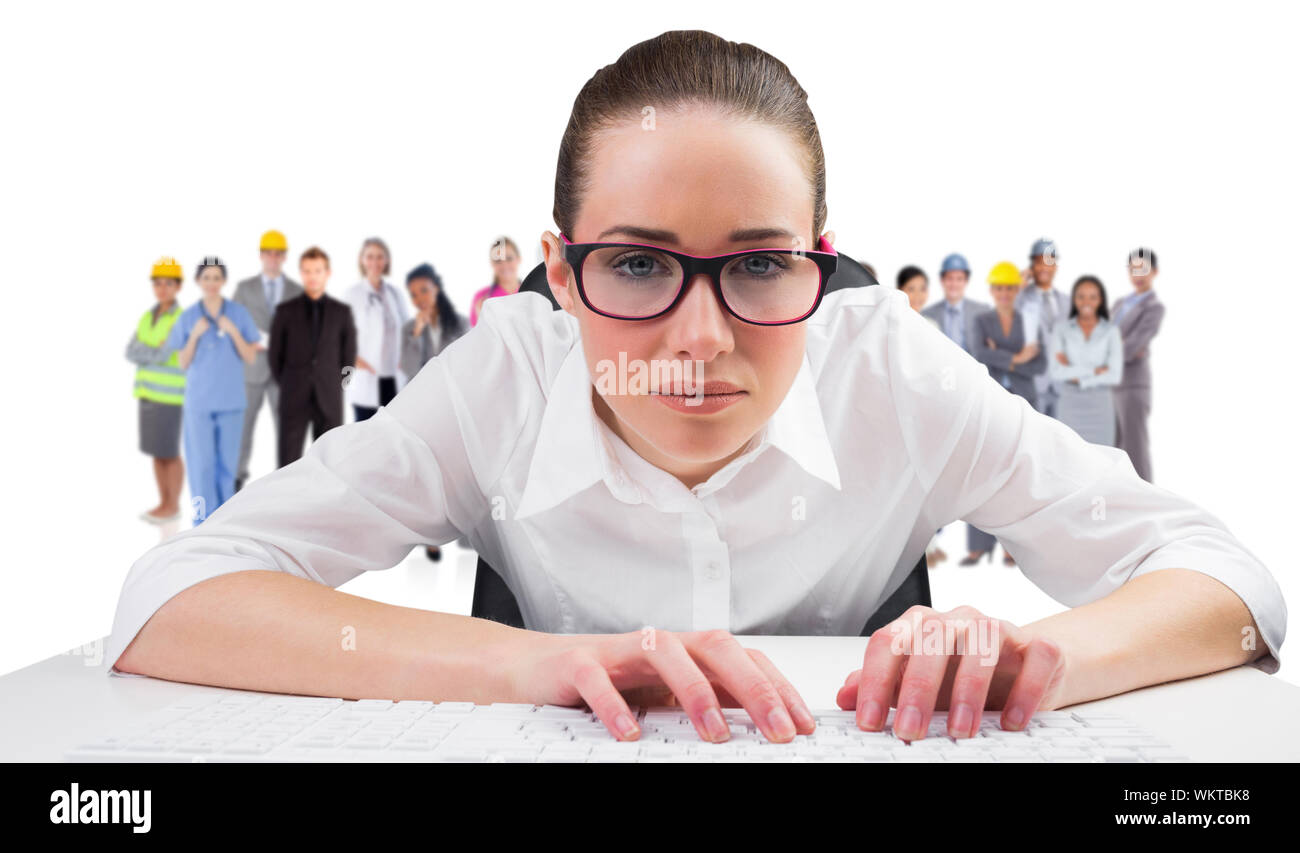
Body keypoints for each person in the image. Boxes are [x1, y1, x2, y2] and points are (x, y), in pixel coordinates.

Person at [109, 31, 1283, 749]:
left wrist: (1039, 654)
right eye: (635, 263)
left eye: (762, 263)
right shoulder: (501, 382)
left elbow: (1230, 584)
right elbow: (174, 595)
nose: (703, 336)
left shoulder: (889, 367)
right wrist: (531, 663)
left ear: (821, 260)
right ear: (559, 273)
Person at [164, 257, 260, 523]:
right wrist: (194, 335)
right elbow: (183, 362)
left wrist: (233, 331)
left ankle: (225, 524)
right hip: (199, 404)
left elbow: (251, 356)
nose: (211, 283)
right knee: (201, 466)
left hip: (231, 403)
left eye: (217, 278)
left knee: (228, 468)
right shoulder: (188, 317)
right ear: (198, 281)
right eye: (206, 278)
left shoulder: (238, 314)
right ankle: (200, 523)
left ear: (224, 281)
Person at [970, 261, 1047, 567]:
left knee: (1022, 474)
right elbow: (978, 354)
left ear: (1017, 291)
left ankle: (1016, 547)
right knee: (985, 473)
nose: (1004, 293)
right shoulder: (981, 321)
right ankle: (979, 545)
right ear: (992, 290)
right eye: (999, 287)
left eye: (1010, 288)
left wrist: (999, 356)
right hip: (992, 403)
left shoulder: (1029, 322)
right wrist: (1016, 359)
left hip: (1025, 402)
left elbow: (1039, 365)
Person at [269, 246, 357, 468]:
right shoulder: (285, 311)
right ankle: (287, 502)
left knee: (330, 462)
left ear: (327, 273)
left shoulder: (342, 312)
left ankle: (325, 503)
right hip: (294, 395)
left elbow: (348, 354)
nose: (312, 277)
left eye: (317, 271)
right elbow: (274, 356)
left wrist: (335, 383)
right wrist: (290, 382)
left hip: (329, 395)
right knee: (288, 461)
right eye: (307, 271)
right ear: (301, 273)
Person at [231, 230, 303, 491]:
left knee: (288, 429)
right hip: (251, 370)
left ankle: (289, 482)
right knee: (244, 427)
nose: (273, 258)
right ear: (261, 255)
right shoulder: (245, 288)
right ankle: (235, 478)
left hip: (284, 372)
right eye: (268, 253)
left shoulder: (296, 290)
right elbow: (232, 325)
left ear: (284, 257)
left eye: (278, 253)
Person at [127, 256, 187, 524]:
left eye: (168, 284)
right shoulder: (147, 316)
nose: (162, 288)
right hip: (148, 395)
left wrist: (148, 351)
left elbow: (164, 354)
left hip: (170, 397)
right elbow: (130, 350)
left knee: (169, 452)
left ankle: (172, 505)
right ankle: (162, 502)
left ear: (177, 287)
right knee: (155, 451)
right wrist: (152, 350)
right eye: (158, 283)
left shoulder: (180, 319)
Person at [1049, 275, 1124, 446]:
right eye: (1081, 296)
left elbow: (1114, 375)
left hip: (1100, 404)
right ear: (1074, 299)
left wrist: (1074, 371)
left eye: (1092, 297)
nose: (1086, 302)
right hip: (1070, 402)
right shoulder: (1061, 330)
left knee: (1103, 458)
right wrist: (1094, 370)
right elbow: (1056, 371)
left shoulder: (1111, 331)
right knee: (1069, 454)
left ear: (1100, 300)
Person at [1111, 247, 1165, 482]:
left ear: (1154, 271)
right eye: (1133, 269)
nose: (1138, 274)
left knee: (1136, 449)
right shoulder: (1119, 304)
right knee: (1115, 448)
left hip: (1133, 386)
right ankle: (1122, 499)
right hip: (1112, 384)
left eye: (1143, 269)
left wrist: (1117, 348)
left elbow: (1133, 346)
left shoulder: (1153, 307)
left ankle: (1148, 501)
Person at [345, 237, 408, 422]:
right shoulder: (352, 294)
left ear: (386, 260)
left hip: (394, 377)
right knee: (366, 435)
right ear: (362, 260)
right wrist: (353, 359)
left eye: (380, 257)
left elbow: (406, 331)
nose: (375, 262)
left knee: (393, 433)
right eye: (370, 256)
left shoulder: (395, 294)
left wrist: (405, 357)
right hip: (367, 378)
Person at [1015, 238, 1070, 418]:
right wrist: (1018, 287)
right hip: (1032, 384)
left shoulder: (1067, 302)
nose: (1044, 268)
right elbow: (1005, 322)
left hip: (1060, 385)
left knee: (1060, 439)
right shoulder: (1022, 298)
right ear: (1032, 267)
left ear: (1055, 266)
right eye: (1039, 262)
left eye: (1049, 262)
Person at [921, 253, 989, 355]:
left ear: (966, 281)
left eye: (959, 279)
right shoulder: (928, 314)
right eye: (950, 278)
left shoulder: (983, 312)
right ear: (942, 280)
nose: (954, 284)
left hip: (974, 369)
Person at [469, 237, 522, 326]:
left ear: (519, 259)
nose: (504, 265)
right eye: (498, 261)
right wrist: (481, 319)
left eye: (509, 258)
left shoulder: (532, 291)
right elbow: (476, 336)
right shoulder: (481, 298)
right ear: (492, 263)